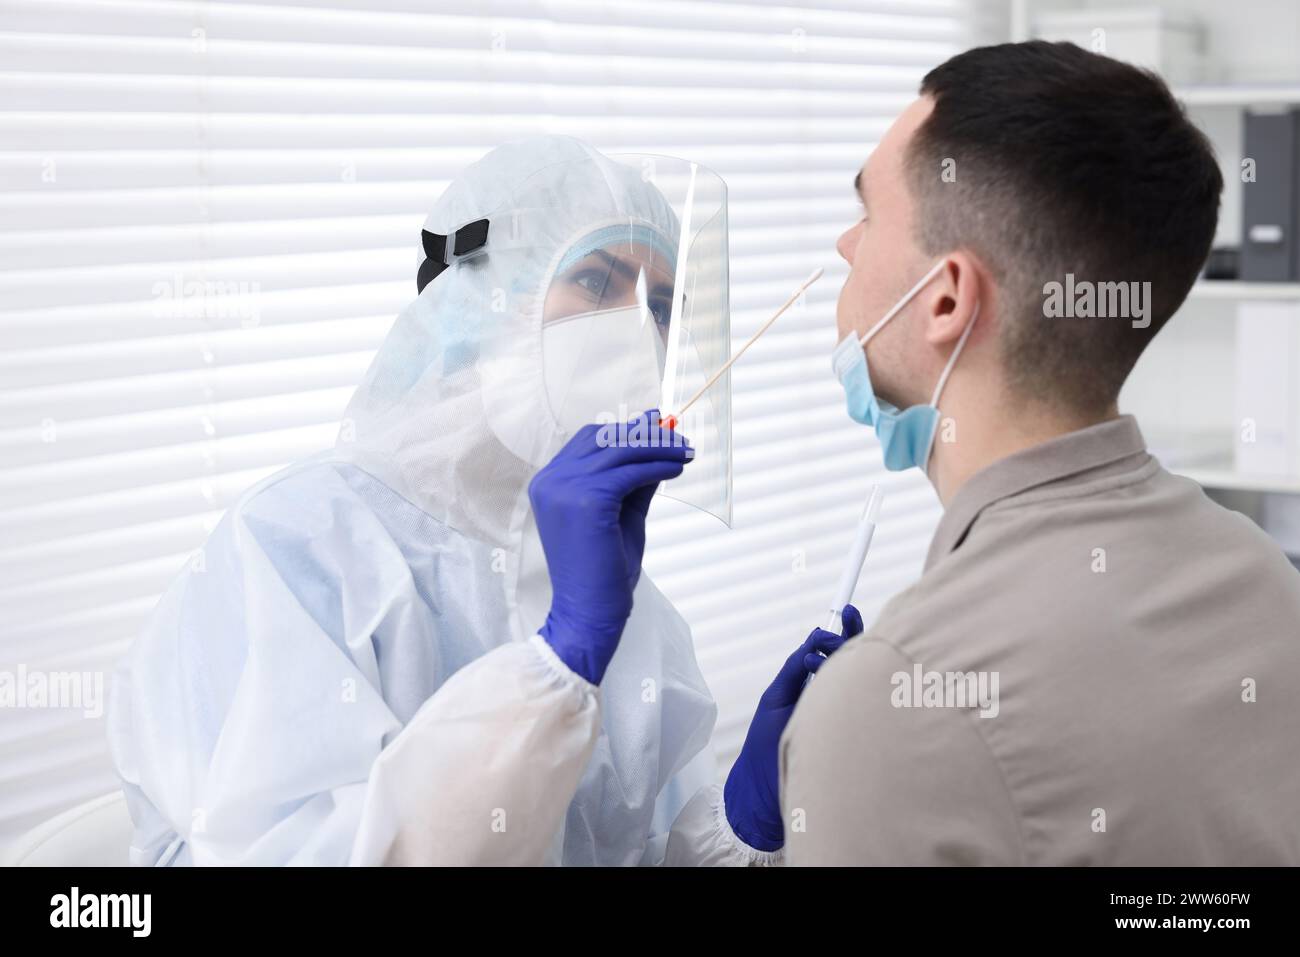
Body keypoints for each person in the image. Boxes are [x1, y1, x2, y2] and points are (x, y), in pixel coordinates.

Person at [107, 135, 853, 866]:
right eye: (597, 282)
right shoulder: (292, 551)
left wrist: (739, 825)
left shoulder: (628, 608)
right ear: (477, 302)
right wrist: (556, 665)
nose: (638, 331)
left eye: (660, 303)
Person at [779, 41, 1300, 865]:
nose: (847, 245)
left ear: (946, 297)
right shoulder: (1264, 575)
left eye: (869, 213)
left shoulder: (894, 700)